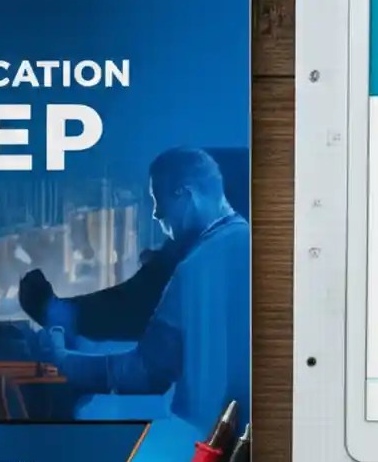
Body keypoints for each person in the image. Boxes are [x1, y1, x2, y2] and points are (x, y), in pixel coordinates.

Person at [22, 147, 251, 432]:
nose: (156, 214)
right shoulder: (251, 247)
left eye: (158, 200)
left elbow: (147, 371)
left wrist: (64, 361)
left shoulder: (195, 268)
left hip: (205, 439)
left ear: (185, 194)